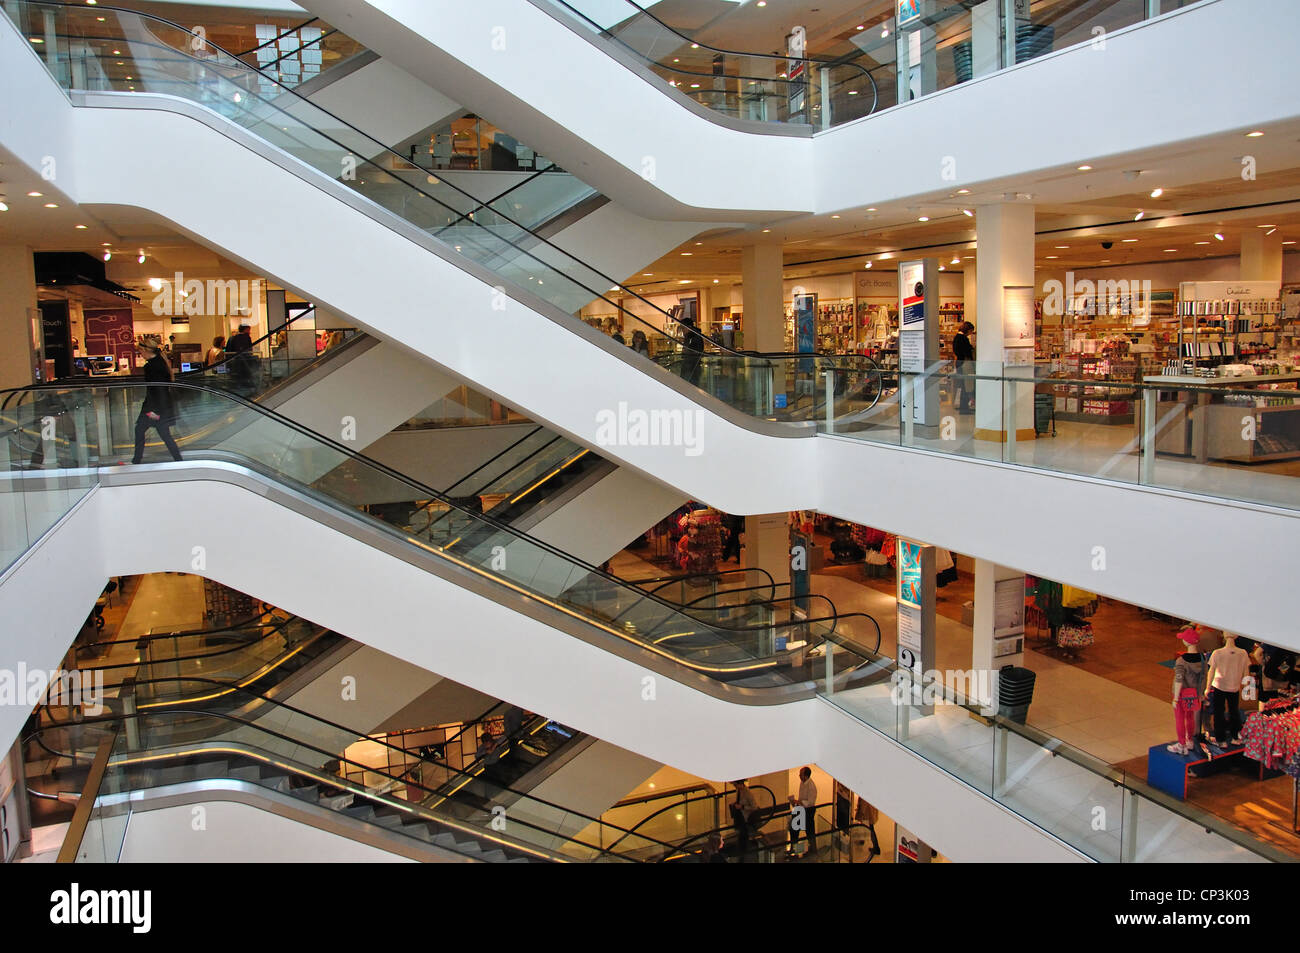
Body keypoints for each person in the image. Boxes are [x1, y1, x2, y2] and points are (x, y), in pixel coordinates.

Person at [131, 338, 183, 465]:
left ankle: (137, 460)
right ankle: (178, 460)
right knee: (163, 434)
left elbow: (157, 390)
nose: (140, 355)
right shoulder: (160, 363)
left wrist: (153, 411)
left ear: (145, 350)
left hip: (155, 408)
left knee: (140, 430)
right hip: (160, 406)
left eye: (140, 352)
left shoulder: (152, 367)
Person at [1204, 630, 1250, 746]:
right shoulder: (1243, 653)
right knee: (1233, 711)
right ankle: (1235, 736)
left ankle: (1221, 739)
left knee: (1219, 712)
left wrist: (1207, 688)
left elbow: (1211, 671)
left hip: (1220, 685)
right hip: (1233, 687)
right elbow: (1246, 673)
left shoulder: (1218, 653)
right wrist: (1247, 688)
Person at [1167, 625, 1205, 756]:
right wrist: (1200, 694)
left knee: (1179, 718)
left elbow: (1178, 680)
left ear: (1187, 642)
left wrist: (1176, 698)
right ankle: (1189, 740)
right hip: (1194, 694)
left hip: (1182, 693)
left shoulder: (1181, 661)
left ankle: (1181, 744)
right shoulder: (1203, 659)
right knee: (1190, 717)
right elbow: (1203, 678)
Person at [787, 765, 817, 856]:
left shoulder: (811, 786)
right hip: (801, 808)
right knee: (794, 829)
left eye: (801, 774)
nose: (799, 776)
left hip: (808, 811)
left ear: (806, 776)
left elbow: (811, 802)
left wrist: (799, 802)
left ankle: (811, 849)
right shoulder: (802, 783)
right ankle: (794, 849)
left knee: (809, 831)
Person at [729, 779, 760, 855]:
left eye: (735, 785)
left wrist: (742, 807)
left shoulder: (747, 793)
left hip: (745, 817)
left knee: (743, 834)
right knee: (741, 834)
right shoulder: (739, 791)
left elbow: (754, 807)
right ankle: (742, 850)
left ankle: (743, 851)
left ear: (740, 783)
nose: (735, 786)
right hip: (740, 816)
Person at [952, 321, 975, 413]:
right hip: (964, 363)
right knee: (966, 386)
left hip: (959, 363)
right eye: (971, 331)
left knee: (962, 385)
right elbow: (967, 351)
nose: (971, 333)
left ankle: (963, 407)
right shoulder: (963, 338)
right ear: (968, 330)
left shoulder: (957, 337)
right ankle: (964, 408)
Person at [679, 315, 704, 386]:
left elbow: (698, 351)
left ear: (689, 327)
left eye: (683, 328)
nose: (683, 331)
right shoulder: (689, 337)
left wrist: (687, 351)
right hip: (690, 367)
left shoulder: (694, 337)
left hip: (692, 367)